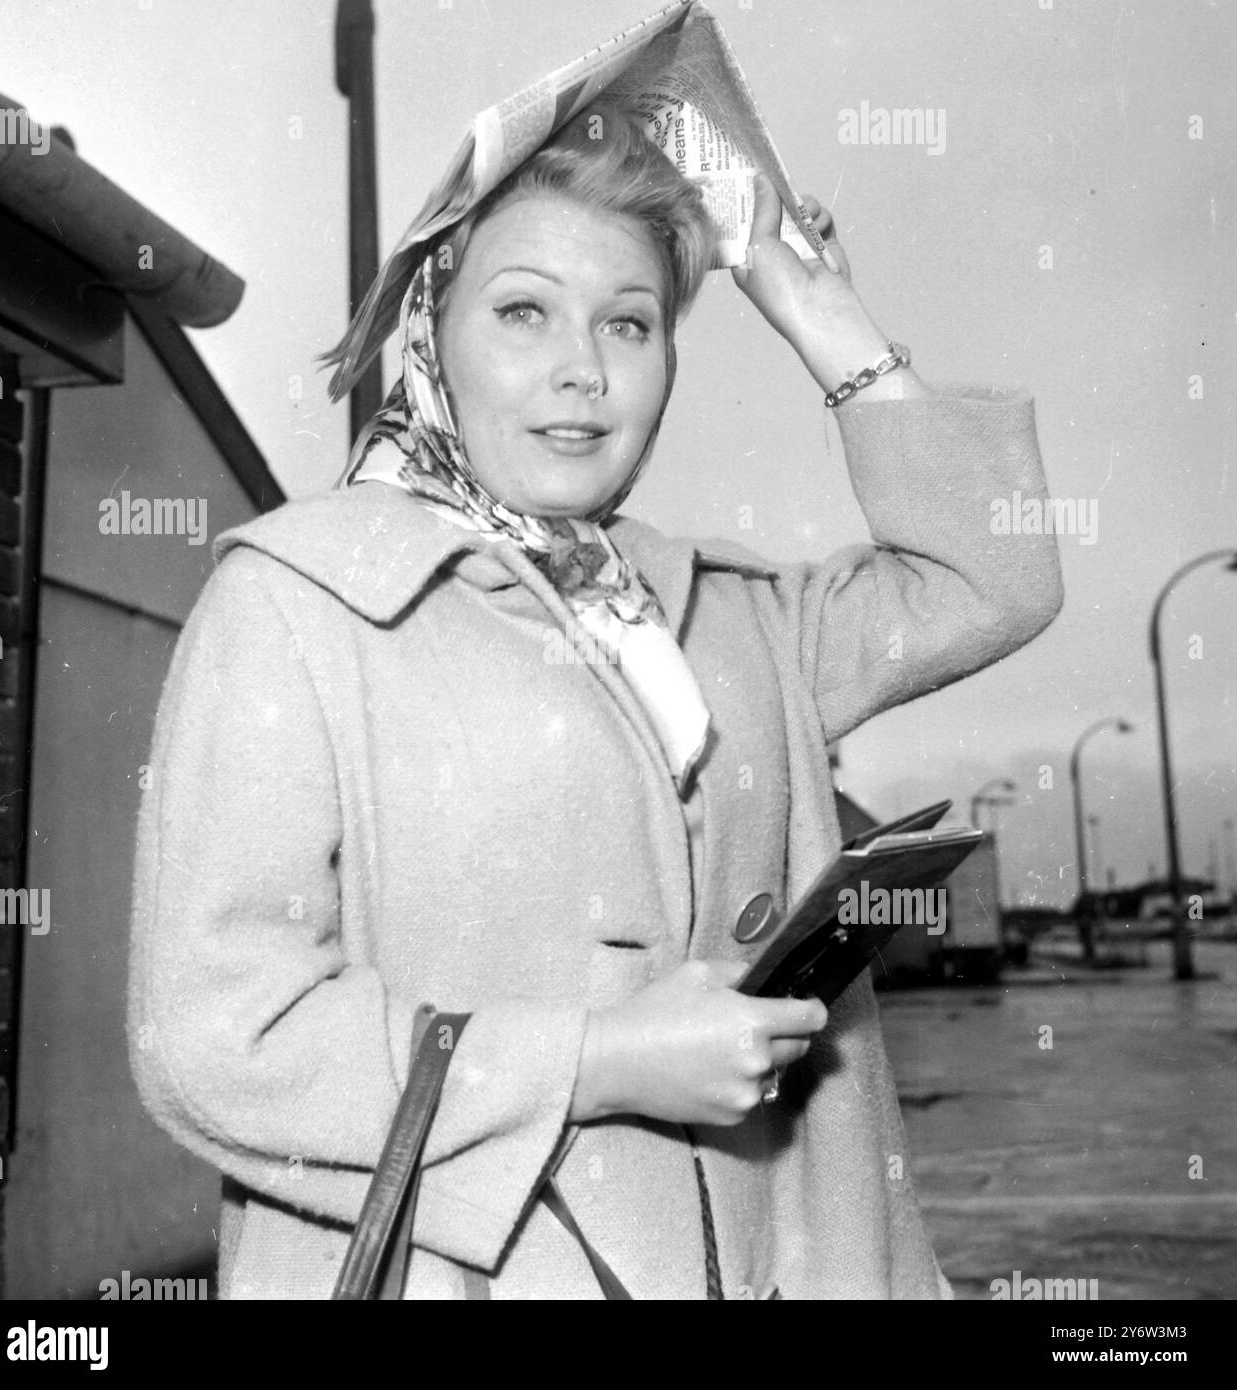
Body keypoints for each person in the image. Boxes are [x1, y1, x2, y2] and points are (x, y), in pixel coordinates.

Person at [128, 100, 1062, 1300]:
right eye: (523, 311)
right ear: (430, 333)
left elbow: (995, 576)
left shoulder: (727, 617)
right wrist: (597, 1061)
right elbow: (215, 1039)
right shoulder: (299, 603)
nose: (583, 369)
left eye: (628, 322)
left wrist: (815, 310)